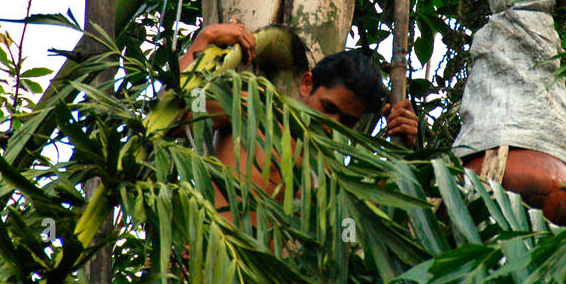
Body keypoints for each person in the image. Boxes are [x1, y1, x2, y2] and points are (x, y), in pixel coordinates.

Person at [179, 20, 418, 220]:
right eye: (328, 107)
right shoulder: (256, 106)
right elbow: (174, 114)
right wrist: (205, 39)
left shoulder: (328, 173)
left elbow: (359, 229)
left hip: (257, 275)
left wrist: (399, 152)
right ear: (307, 85)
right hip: (201, 263)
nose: (330, 123)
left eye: (346, 121)